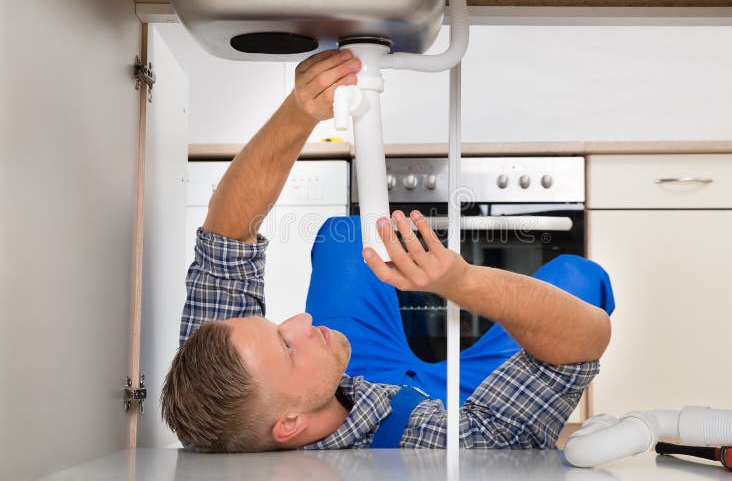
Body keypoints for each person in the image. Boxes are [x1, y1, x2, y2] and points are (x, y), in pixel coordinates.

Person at [161, 50, 612, 452]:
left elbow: (225, 240)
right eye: (287, 345)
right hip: (465, 405)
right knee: (579, 278)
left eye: (277, 327)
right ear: (289, 423)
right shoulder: (447, 444)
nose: (300, 321)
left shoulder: (218, 401)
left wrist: (300, 110)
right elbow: (586, 339)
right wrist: (461, 282)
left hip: (346, 371)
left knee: (347, 236)